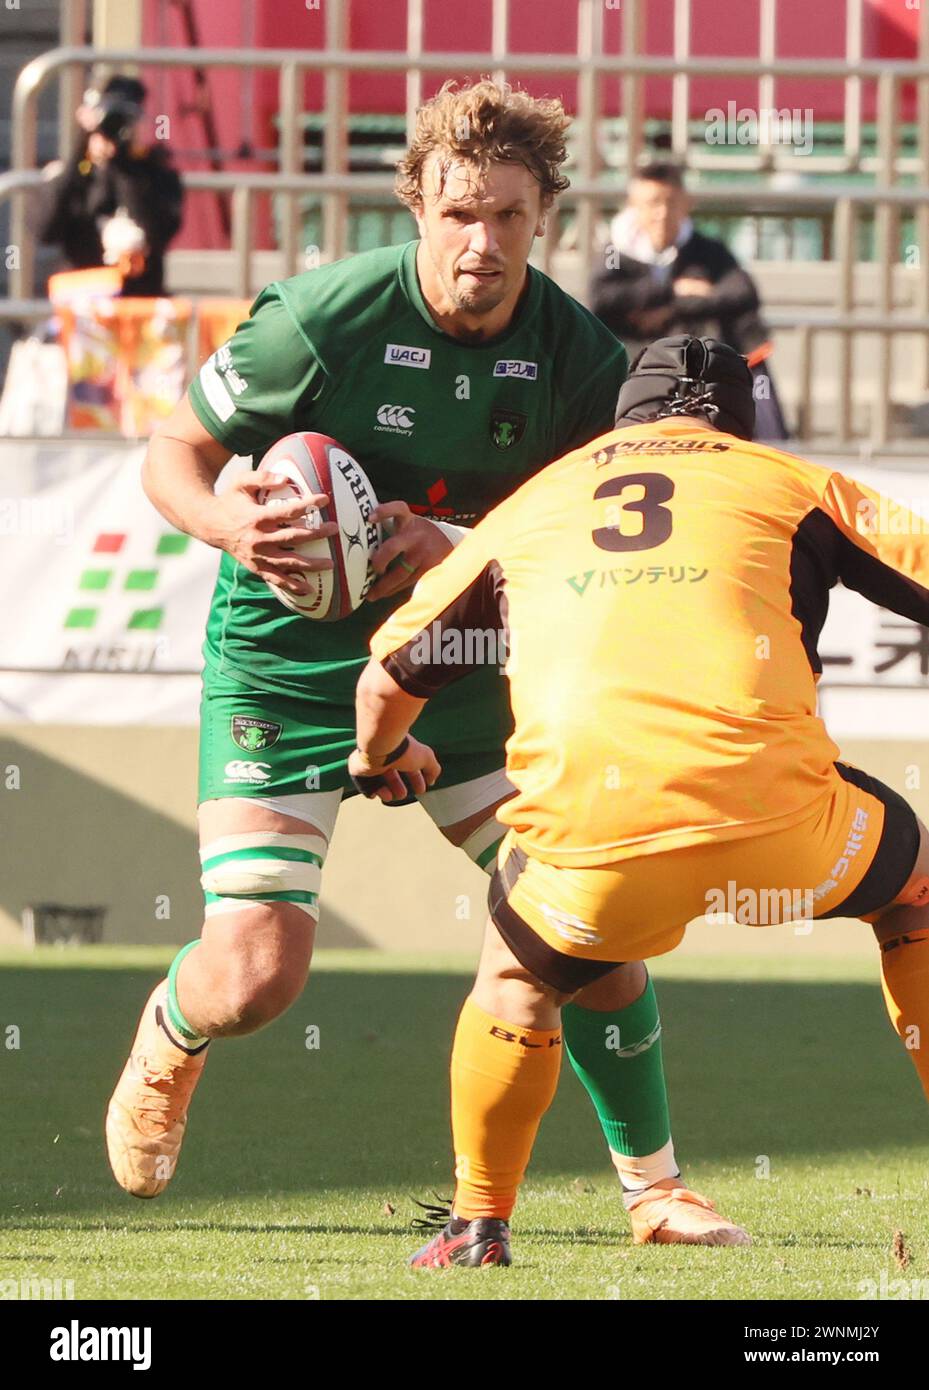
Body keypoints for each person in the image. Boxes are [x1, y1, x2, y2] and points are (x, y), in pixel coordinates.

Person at [105, 82, 745, 1248]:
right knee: (257, 976)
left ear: (544, 214)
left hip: (456, 663)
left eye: (507, 215)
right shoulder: (318, 321)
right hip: (289, 666)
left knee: (581, 924)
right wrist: (230, 526)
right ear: (416, 203)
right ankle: (172, 1035)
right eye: (458, 213)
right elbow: (170, 454)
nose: (481, 241)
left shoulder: (577, 357)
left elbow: (596, 541)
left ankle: (655, 1188)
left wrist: (451, 549)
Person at [349, 335, 929, 1268]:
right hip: (783, 839)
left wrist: (380, 757)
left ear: (625, 416)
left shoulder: (532, 502)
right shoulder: (788, 481)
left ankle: (477, 1226)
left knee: (516, 978)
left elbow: (383, 688)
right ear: (738, 422)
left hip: (590, 855)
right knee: (913, 890)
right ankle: (642, 1195)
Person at [589, 160, 788, 439]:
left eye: (670, 202)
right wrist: (673, 291)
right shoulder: (615, 253)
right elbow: (601, 301)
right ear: (633, 206)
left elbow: (742, 293)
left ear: (686, 204)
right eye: (652, 203)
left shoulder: (706, 250)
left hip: (704, 371)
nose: (662, 213)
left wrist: (666, 308)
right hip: (638, 370)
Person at [33, 76, 183, 297]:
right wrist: (82, 148)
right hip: (82, 302)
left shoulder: (158, 175)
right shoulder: (72, 174)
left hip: (138, 304)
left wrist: (124, 165)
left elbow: (157, 233)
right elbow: (46, 231)